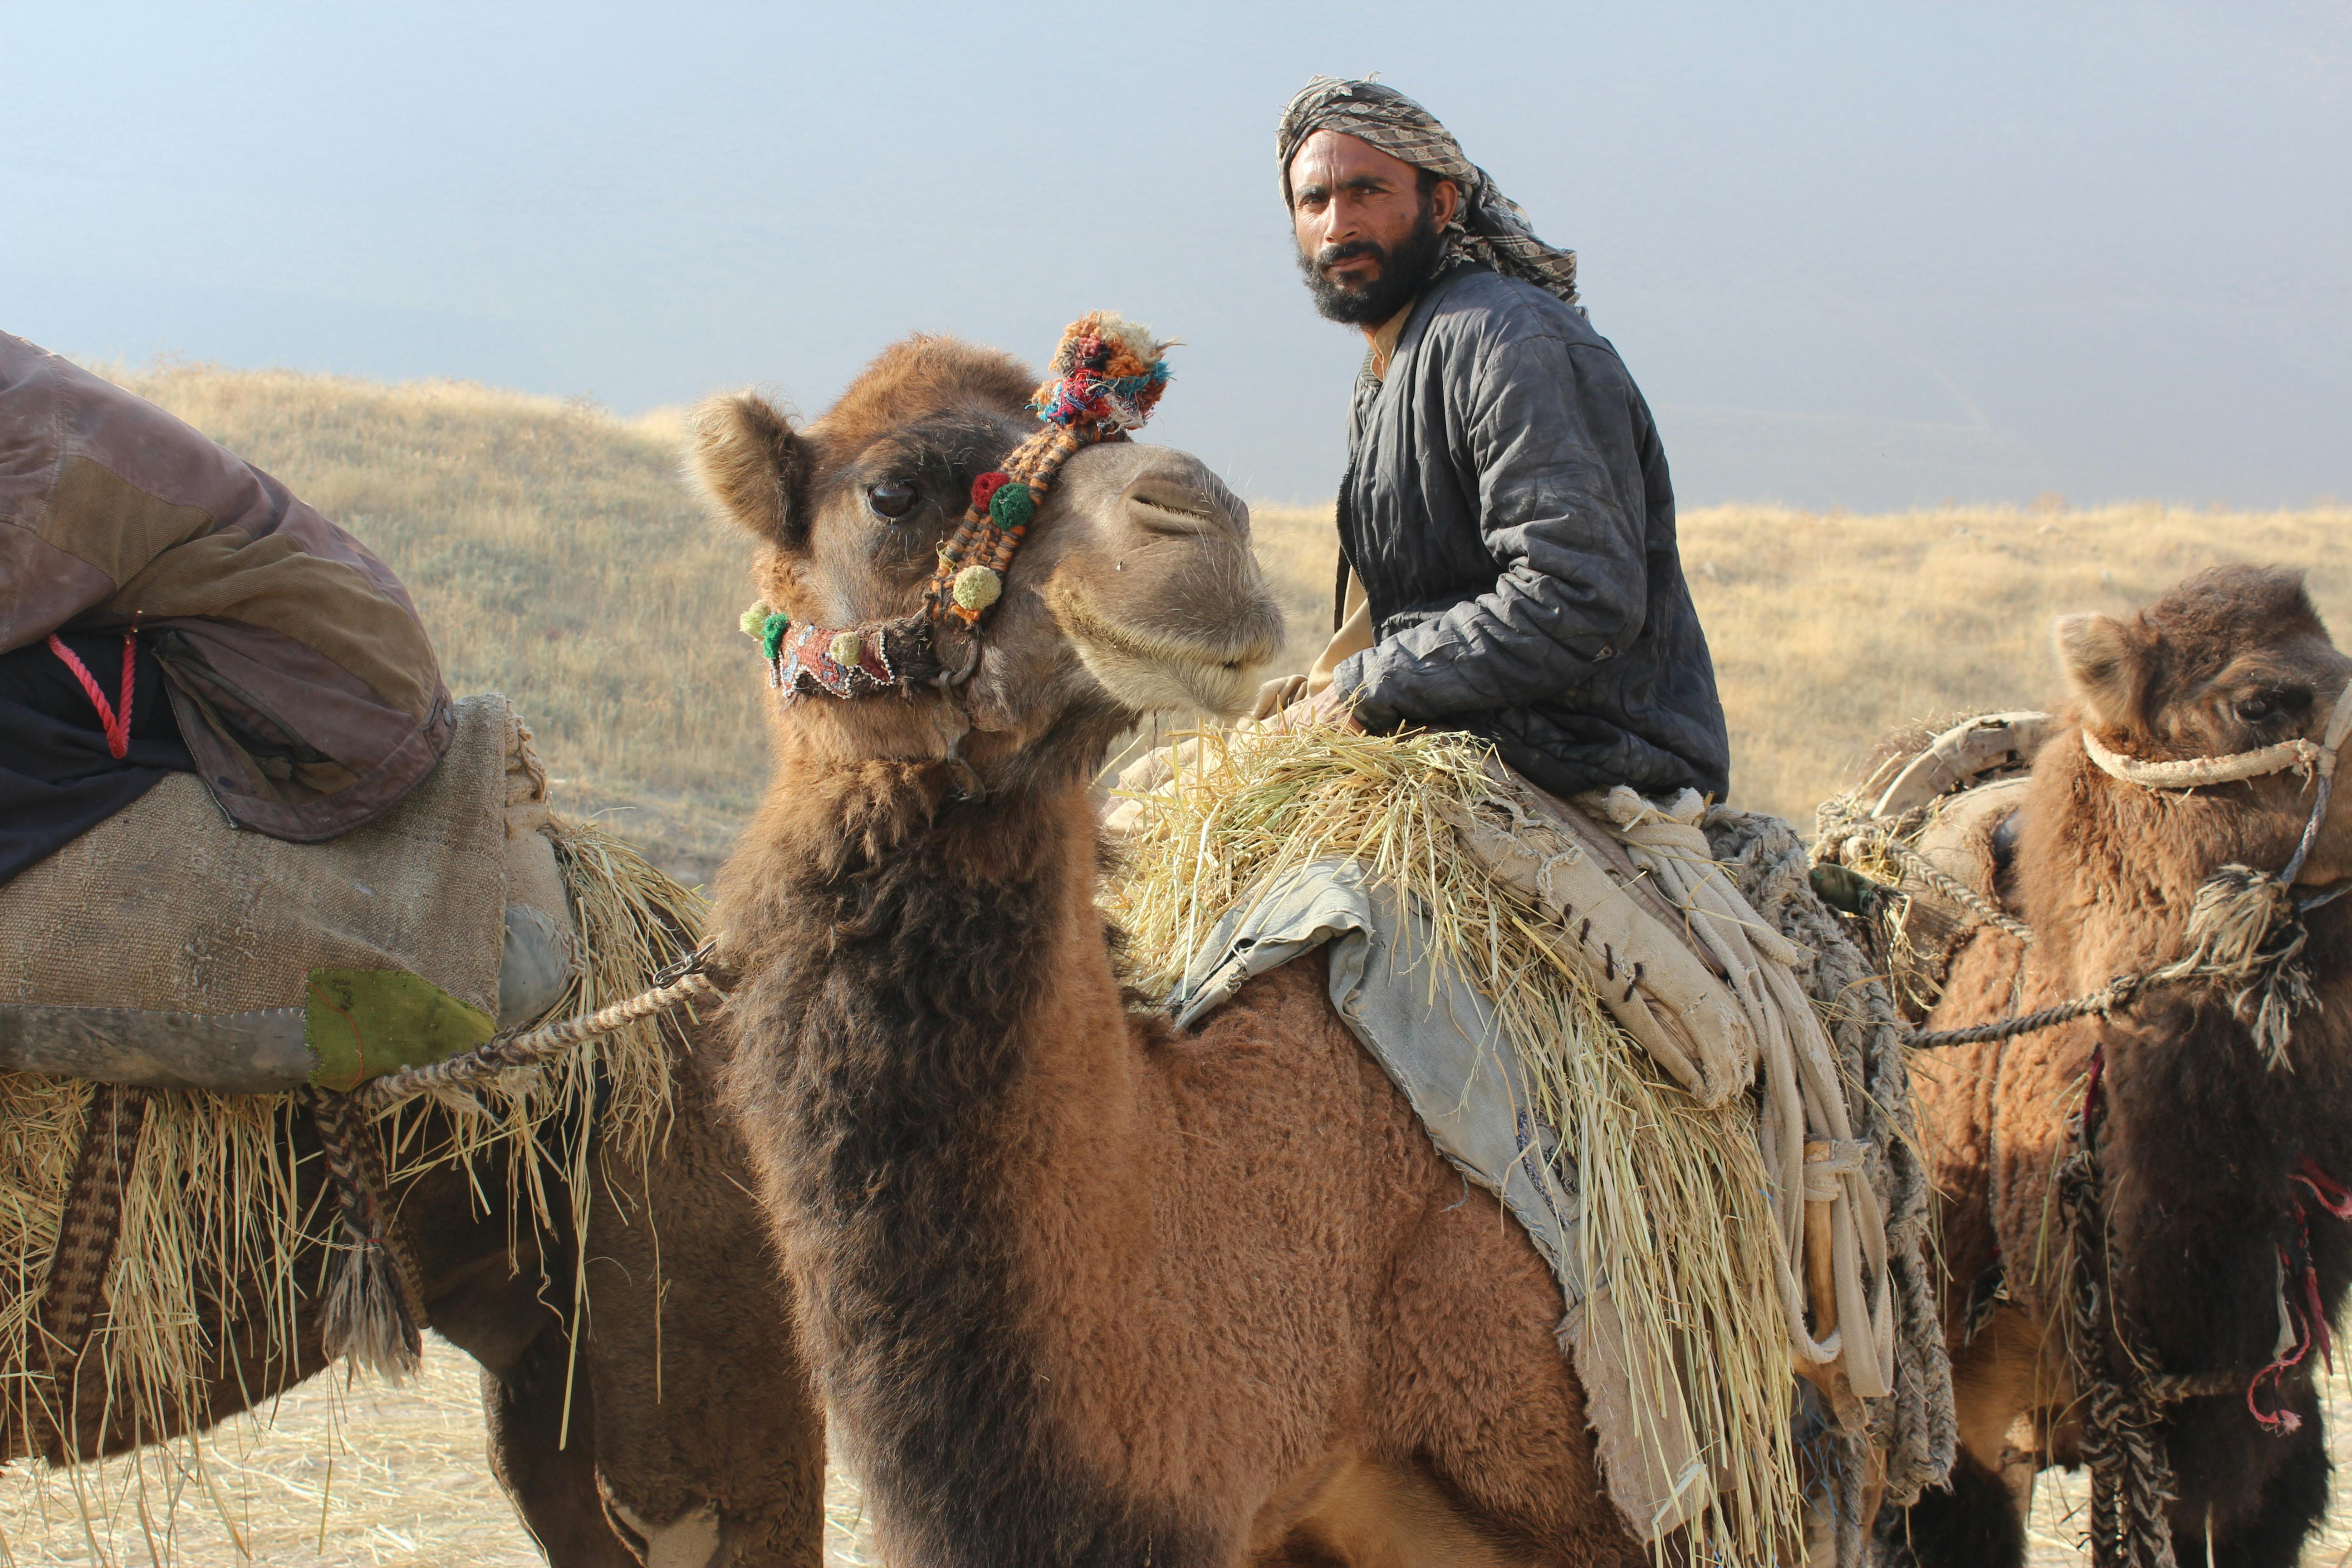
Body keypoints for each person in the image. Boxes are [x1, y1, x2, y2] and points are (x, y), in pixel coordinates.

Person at [1259, 77, 1730, 804]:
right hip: (1460, 728)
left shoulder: (1510, 337)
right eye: (1314, 201)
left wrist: (1365, 688)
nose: (1338, 225)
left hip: (1583, 747)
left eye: (1368, 192)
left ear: (1440, 205)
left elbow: (1577, 593)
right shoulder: (1390, 364)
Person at [0, 331, 451, 883]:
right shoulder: (24, 385)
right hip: (318, 647)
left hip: (320, 687)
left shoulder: (34, 456)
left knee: (17, 693)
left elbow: (14, 597)